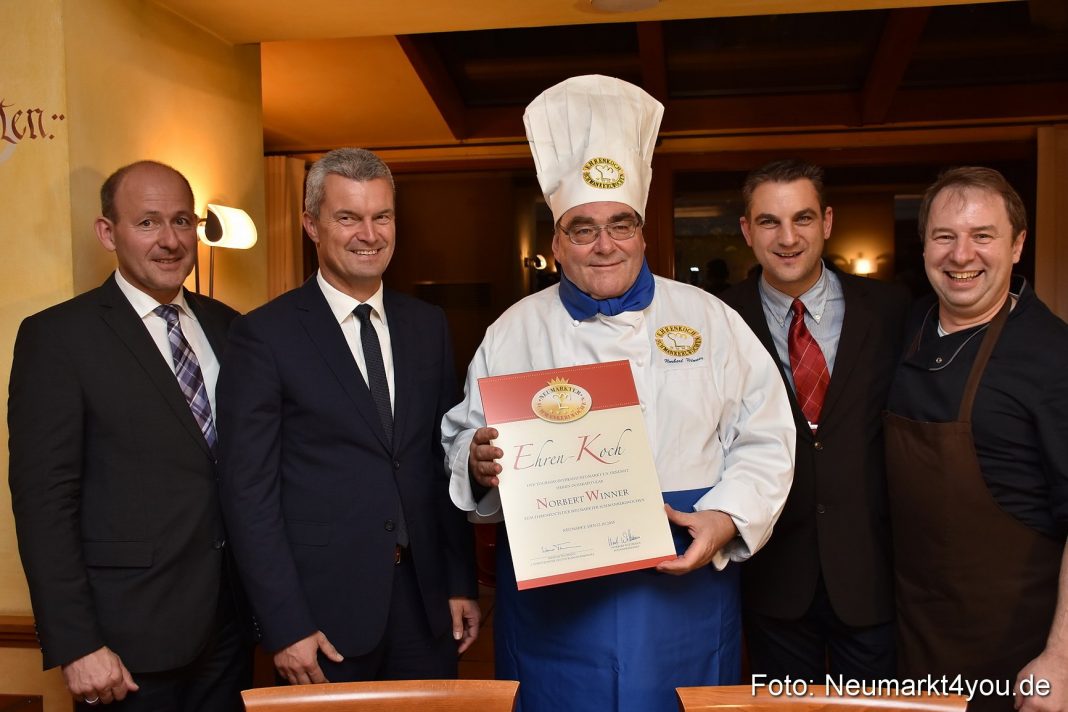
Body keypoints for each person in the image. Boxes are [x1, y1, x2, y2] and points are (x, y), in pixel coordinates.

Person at [441, 74, 795, 712]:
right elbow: (464, 434)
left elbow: (767, 434)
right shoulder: (512, 330)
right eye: (582, 228)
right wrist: (476, 458)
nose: (604, 244)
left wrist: (726, 519)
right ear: (555, 242)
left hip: (683, 578)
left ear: (642, 232)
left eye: (620, 225)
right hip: (556, 598)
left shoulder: (710, 319)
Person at [217, 148, 479, 685]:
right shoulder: (264, 336)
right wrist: (284, 623)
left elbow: (440, 462)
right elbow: (248, 493)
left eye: (381, 216)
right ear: (312, 225)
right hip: (322, 617)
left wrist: (459, 582)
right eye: (348, 217)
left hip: (427, 608)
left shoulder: (427, 326)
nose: (369, 233)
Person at [8, 160, 249, 710]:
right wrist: (77, 644)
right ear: (107, 232)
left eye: (182, 221)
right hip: (124, 643)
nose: (170, 240)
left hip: (230, 628)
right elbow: (45, 501)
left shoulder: (231, 327)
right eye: (147, 223)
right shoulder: (58, 338)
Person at [885, 167, 1068, 712]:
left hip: (1016, 664)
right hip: (912, 647)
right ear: (924, 248)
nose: (961, 255)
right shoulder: (907, 326)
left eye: (983, 235)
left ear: (1017, 245)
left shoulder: (1053, 356)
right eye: (945, 236)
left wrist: (1060, 658)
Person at [722, 159, 907, 683]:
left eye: (802, 219)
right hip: (771, 574)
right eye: (768, 222)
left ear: (826, 222)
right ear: (746, 230)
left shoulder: (892, 309)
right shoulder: (718, 320)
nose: (787, 238)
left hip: (872, 571)